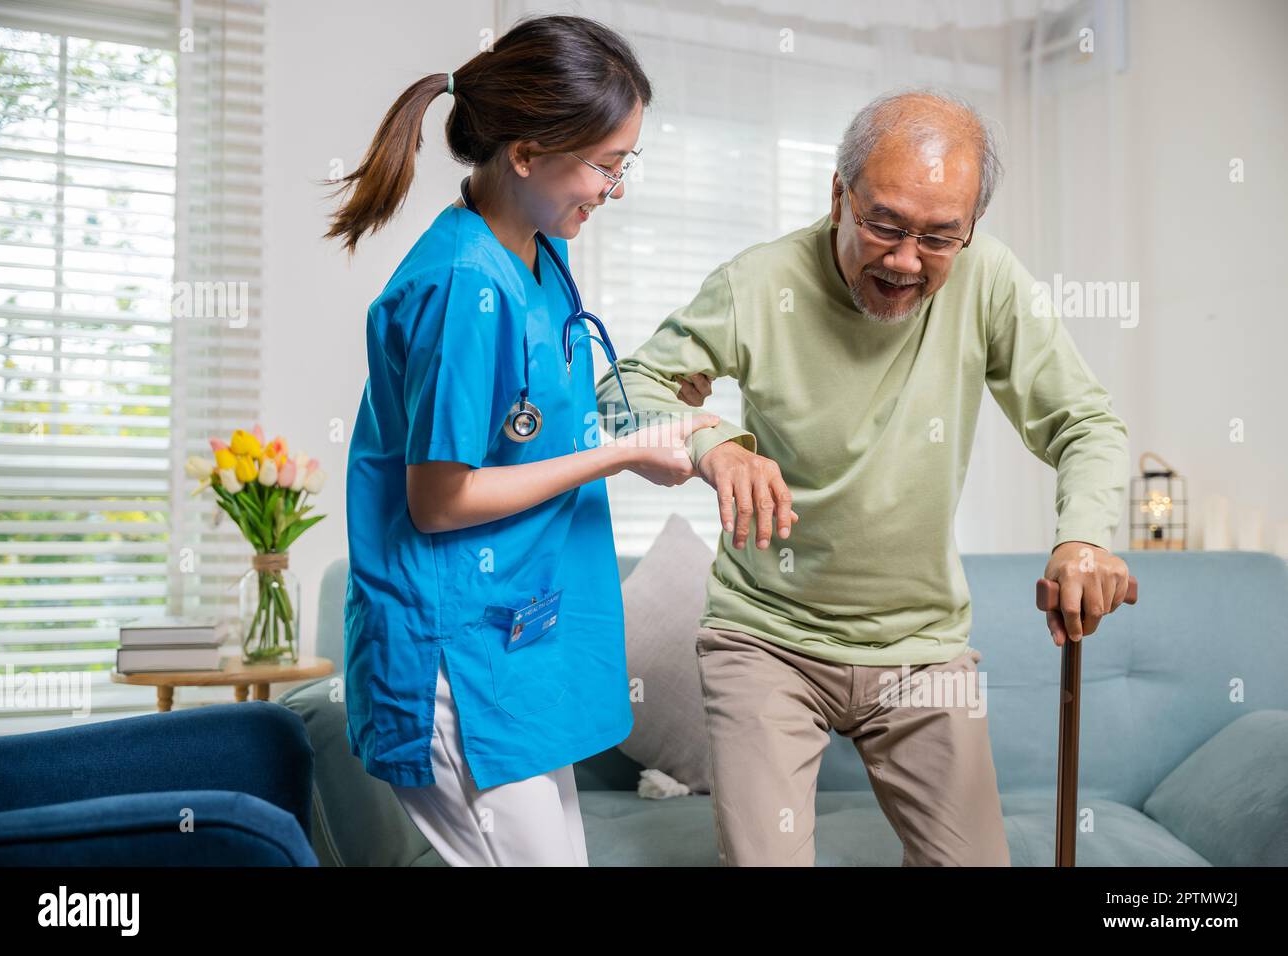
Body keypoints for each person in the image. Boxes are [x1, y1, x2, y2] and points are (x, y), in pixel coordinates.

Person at [595, 88, 1134, 866]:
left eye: (940, 237)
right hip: (767, 640)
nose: (906, 260)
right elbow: (622, 389)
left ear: (970, 231)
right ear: (838, 196)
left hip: (920, 650)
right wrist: (715, 442)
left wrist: (1081, 538)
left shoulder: (990, 282)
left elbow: (1084, 423)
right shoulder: (758, 283)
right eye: (884, 225)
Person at [323, 13, 718, 866]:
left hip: (511, 646)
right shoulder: (465, 283)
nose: (614, 187)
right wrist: (621, 453)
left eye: (625, 164)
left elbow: (532, 425)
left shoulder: (534, 252)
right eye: (606, 164)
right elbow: (438, 502)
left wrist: (643, 423)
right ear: (528, 153)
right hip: (454, 659)